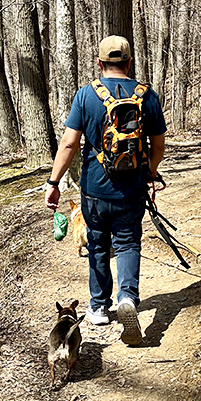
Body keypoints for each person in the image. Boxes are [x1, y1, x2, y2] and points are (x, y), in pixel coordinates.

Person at [45, 35, 166, 345]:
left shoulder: (86, 95)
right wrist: (150, 172)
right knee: (127, 243)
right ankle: (128, 298)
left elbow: (70, 143)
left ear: (99, 64)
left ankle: (99, 306)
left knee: (97, 244)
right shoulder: (147, 96)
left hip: (94, 189)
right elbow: (158, 142)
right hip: (132, 188)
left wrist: (54, 183)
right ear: (129, 63)